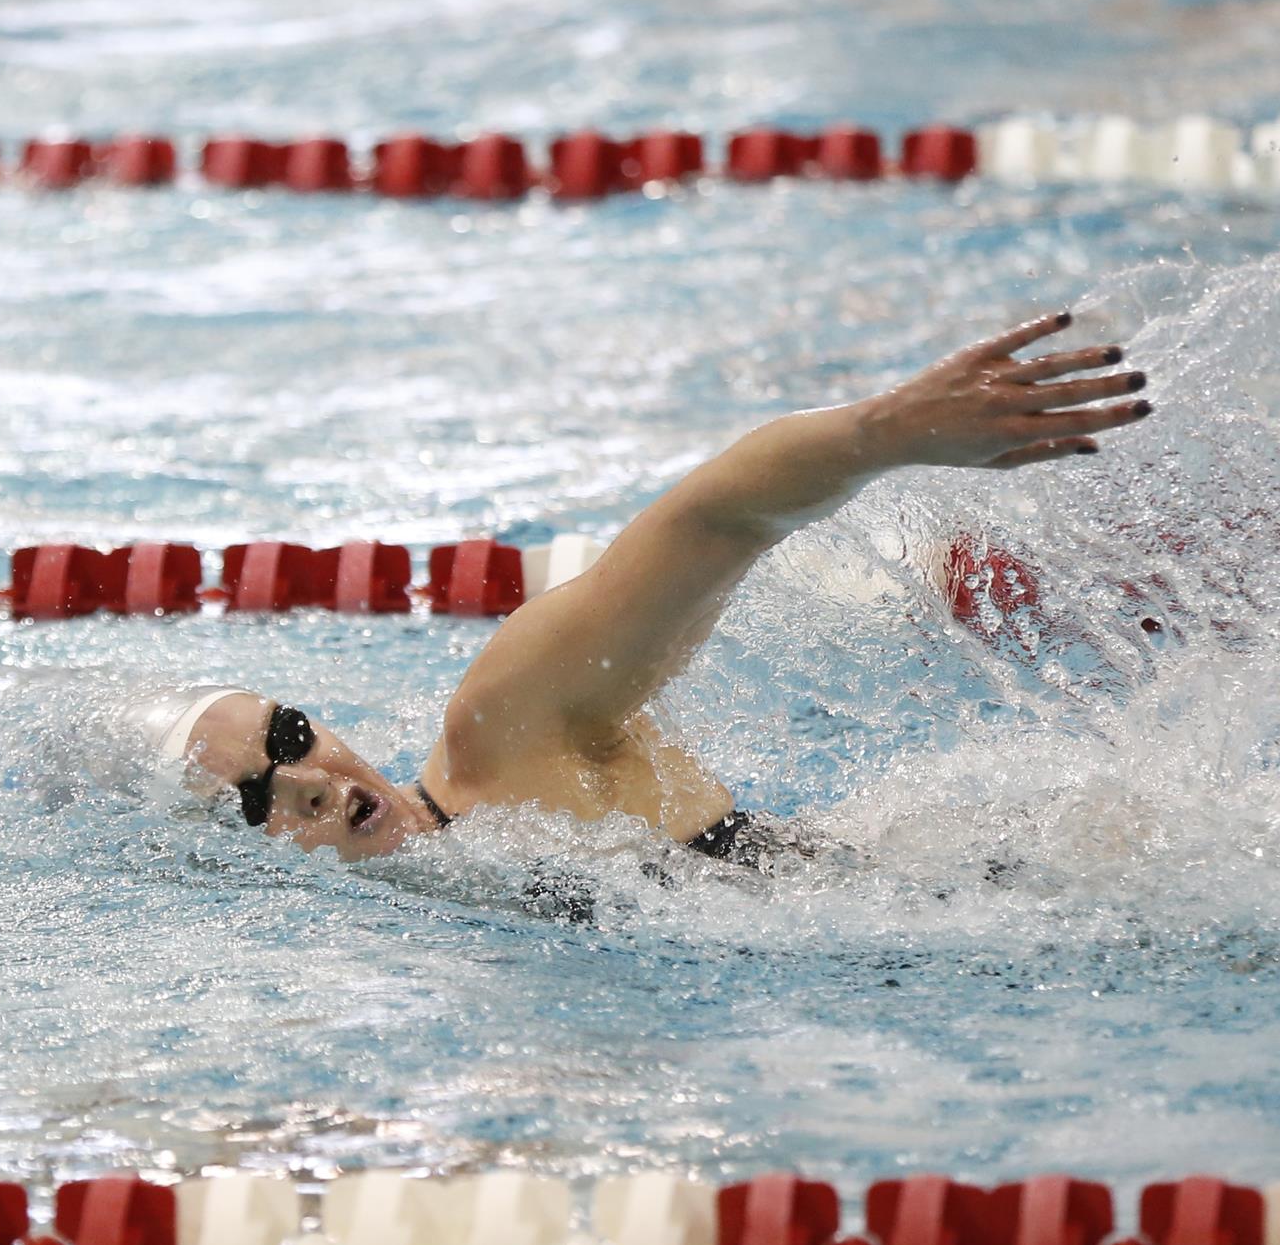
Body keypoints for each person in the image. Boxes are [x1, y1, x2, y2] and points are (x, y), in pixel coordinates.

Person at [134, 313, 1150, 866]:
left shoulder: (503, 730)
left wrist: (880, 435)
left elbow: (708, 518)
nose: (307, 778)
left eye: (287, 737)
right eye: (256, 800)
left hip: (1032, 891)